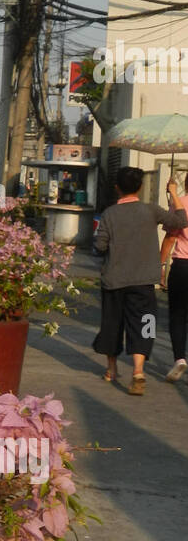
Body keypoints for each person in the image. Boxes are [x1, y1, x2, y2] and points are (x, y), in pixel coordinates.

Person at [92, 166, 188, 394]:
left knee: (112, 323)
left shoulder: (109, 214)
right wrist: (173, 193)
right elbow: (181, 220)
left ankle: (111, 369)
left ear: (117, 188)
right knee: (145, 322)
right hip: (144, 281)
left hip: (114, 280)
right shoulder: (151, 210)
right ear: (141, 187)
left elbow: (99, 246)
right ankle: (138, 370)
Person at [160, 171, 188, 381]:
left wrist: (160, 265)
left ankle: (179, 358)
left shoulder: (181, 204)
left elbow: (170, 237)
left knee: (178, 315)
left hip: (182, 267)